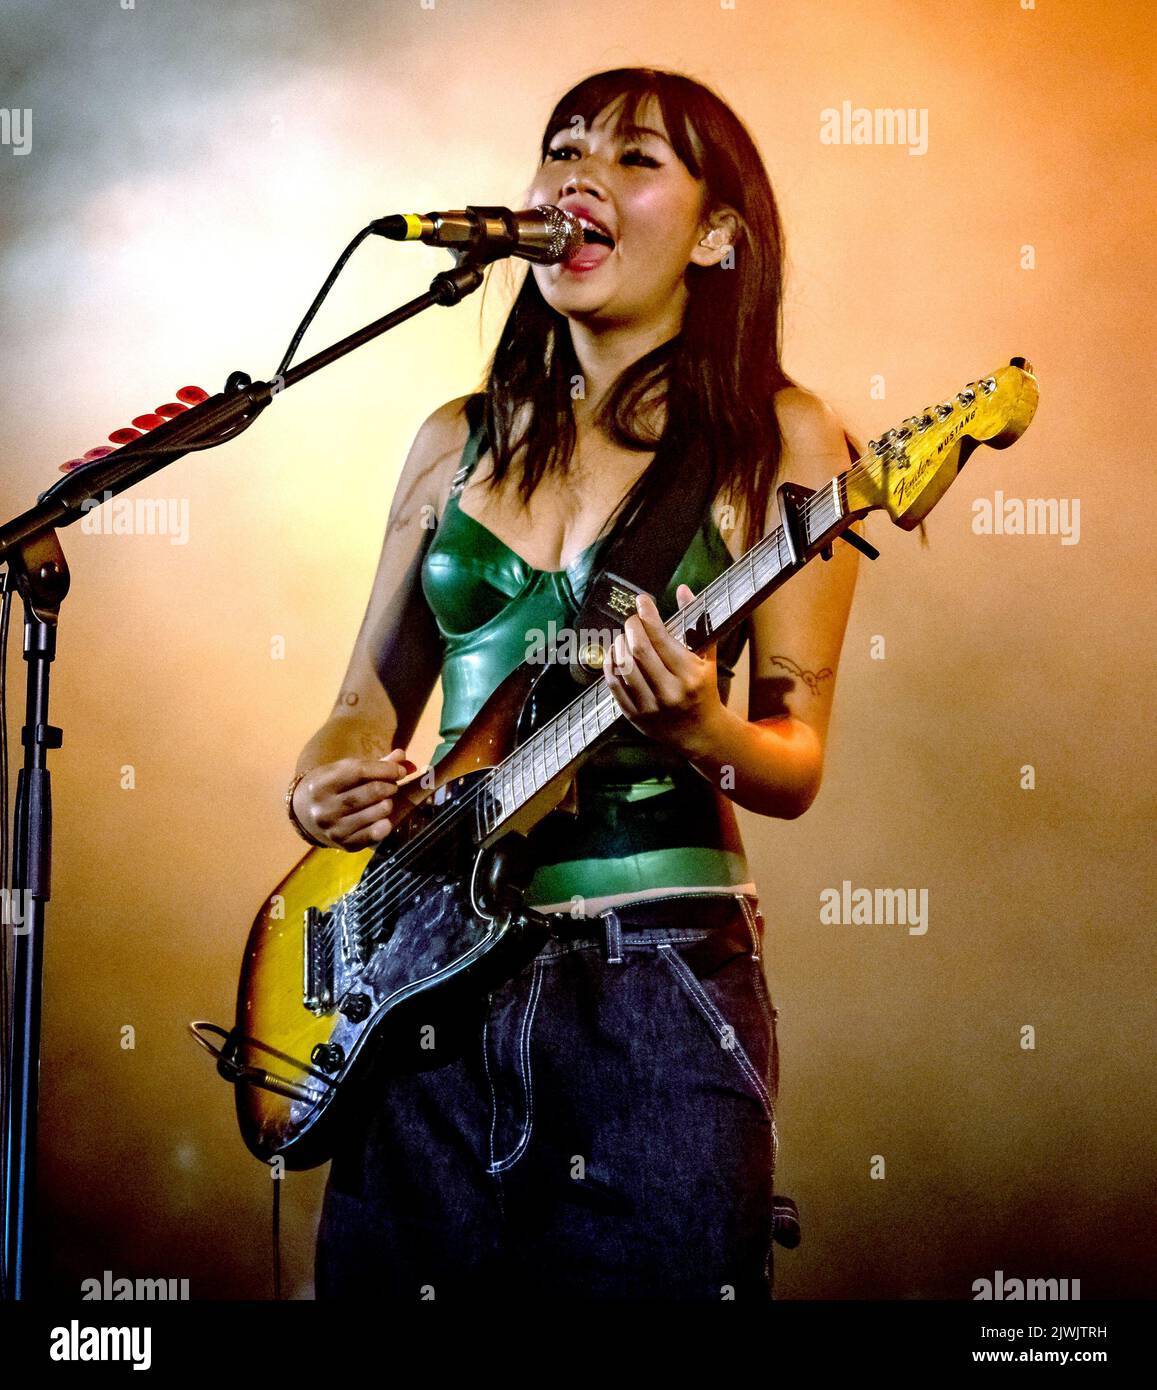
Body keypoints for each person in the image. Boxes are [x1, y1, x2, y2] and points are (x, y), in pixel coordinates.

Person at [289, 67, 861, 1300]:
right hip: (423, 985)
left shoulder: (783, 438)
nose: (576, 177)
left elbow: (793, 757)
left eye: (635, 158)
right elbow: (357, 709)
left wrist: (702, 725)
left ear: (716, 234)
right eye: (560, 148)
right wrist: (321, 791)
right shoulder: (456, 436)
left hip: (649, 985)